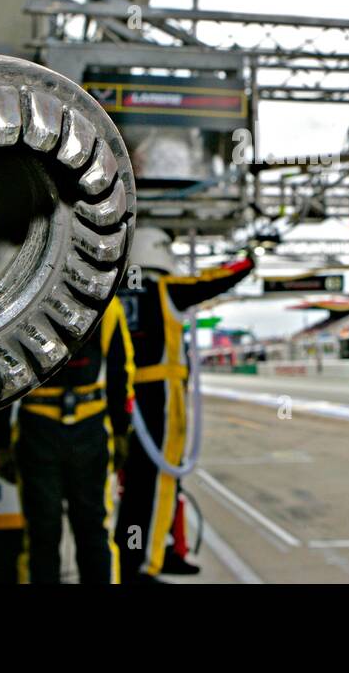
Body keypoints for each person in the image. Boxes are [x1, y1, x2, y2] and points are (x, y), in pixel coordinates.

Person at [115, 228, 253, 582]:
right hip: (160, 398)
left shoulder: (116, 294)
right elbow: (214, 280)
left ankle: (145, 553)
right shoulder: (166, 290)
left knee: (138, 485)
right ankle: (145, 564)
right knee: (159, 481)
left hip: (125, 399)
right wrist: (249, 259)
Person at [0, 296, 135, 584]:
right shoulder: (105, 300)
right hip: (72, 425)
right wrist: (121, 432)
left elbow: (2, 377)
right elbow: (121, 372)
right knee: (77, 529)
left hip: (50, 426)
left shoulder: (24, 297)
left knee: (55, 532)